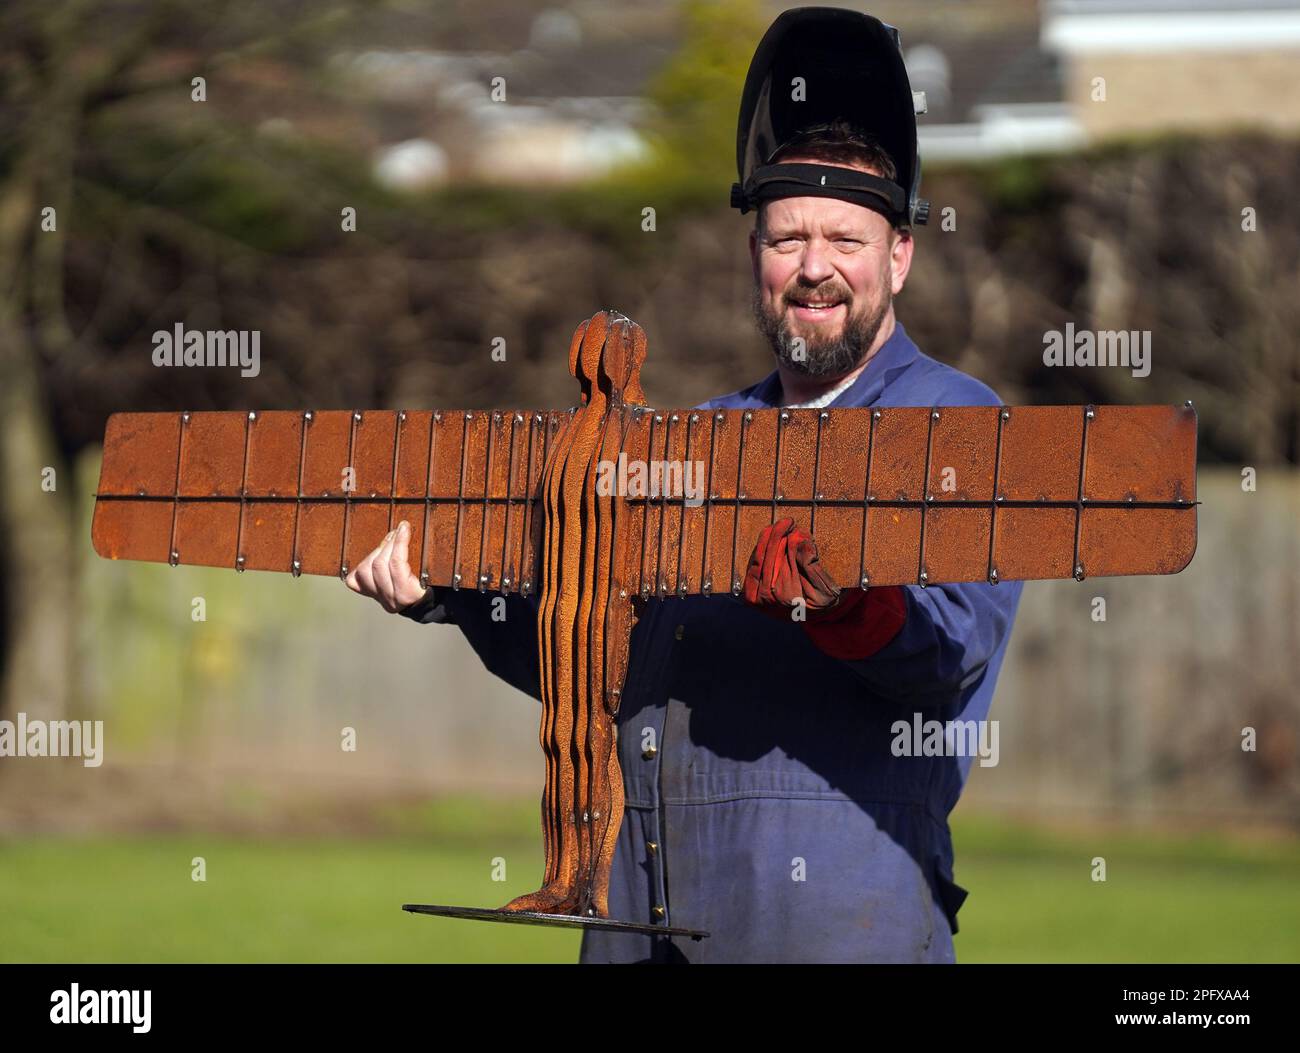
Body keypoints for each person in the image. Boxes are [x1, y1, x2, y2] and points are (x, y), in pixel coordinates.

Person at [345, 9, 1022, 963]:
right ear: (755, 257)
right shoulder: (696, 438)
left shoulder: (957, 424)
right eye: (787, 239)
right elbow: (593, 662)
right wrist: (451, 593)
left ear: (899, 257)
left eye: (845, 239)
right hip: (633, 926)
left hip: (833, 928)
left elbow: (944, 653)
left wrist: (840, 605)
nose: (813, 268)